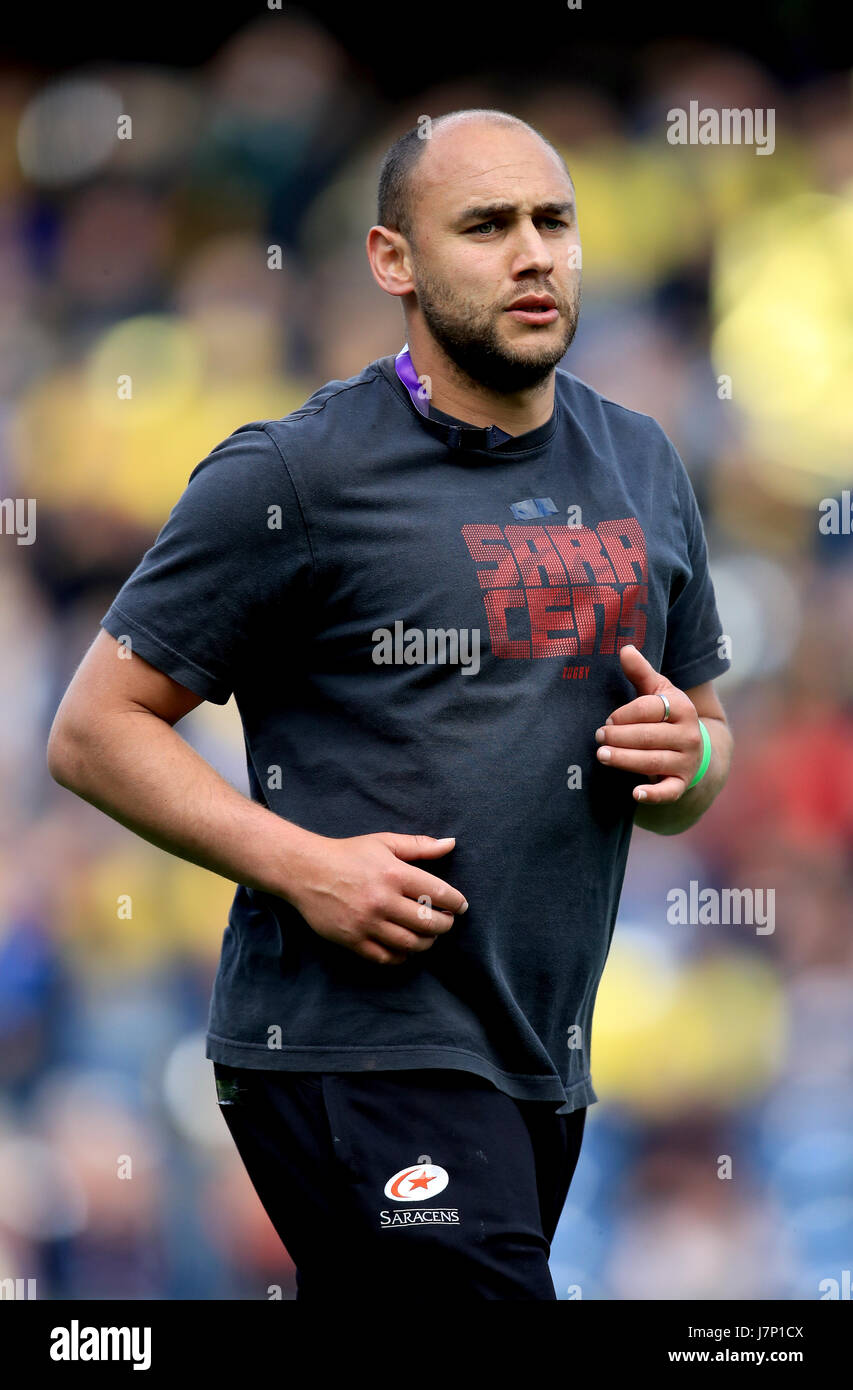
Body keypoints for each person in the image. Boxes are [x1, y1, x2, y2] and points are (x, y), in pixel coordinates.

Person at [46, 108, 733, 1300]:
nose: (533, 254)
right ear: (391, 260)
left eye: (552, 222)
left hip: (537, 1051)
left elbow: (705, 742)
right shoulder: (293, 473)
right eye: (486, 225)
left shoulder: (640, 461)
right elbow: (94, 728)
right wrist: (301, 866)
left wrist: (696, 759)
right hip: (345, 1043)